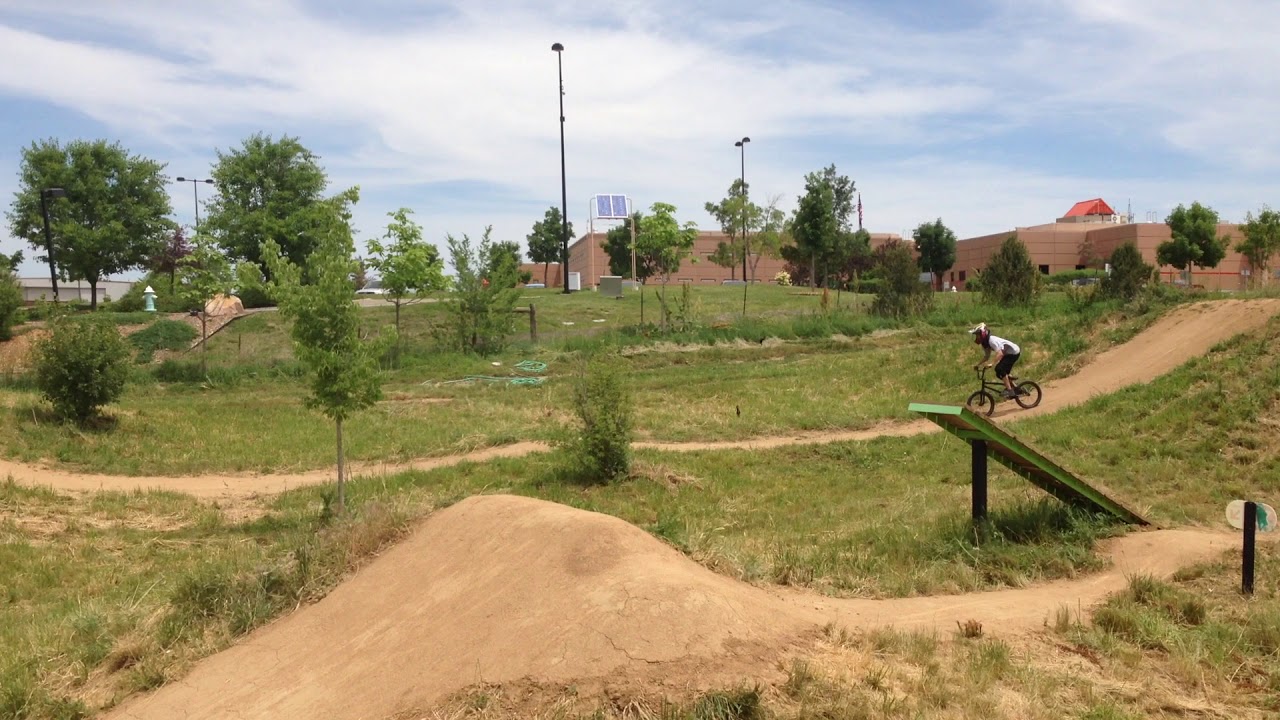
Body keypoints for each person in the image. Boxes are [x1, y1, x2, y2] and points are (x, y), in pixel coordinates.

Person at [968, 323, 1020, 398]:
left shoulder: (991, 340)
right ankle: (1015, 388)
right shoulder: (985, 343)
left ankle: (1010, 391)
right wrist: (978, 364)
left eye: (977, 335)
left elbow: (1000, 353)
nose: (977, 337)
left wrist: (992, 363)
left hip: (1013, 352)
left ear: (982, 333)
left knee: (1000, 369)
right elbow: (986, 356)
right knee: (999, 372)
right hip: (1007, 354)